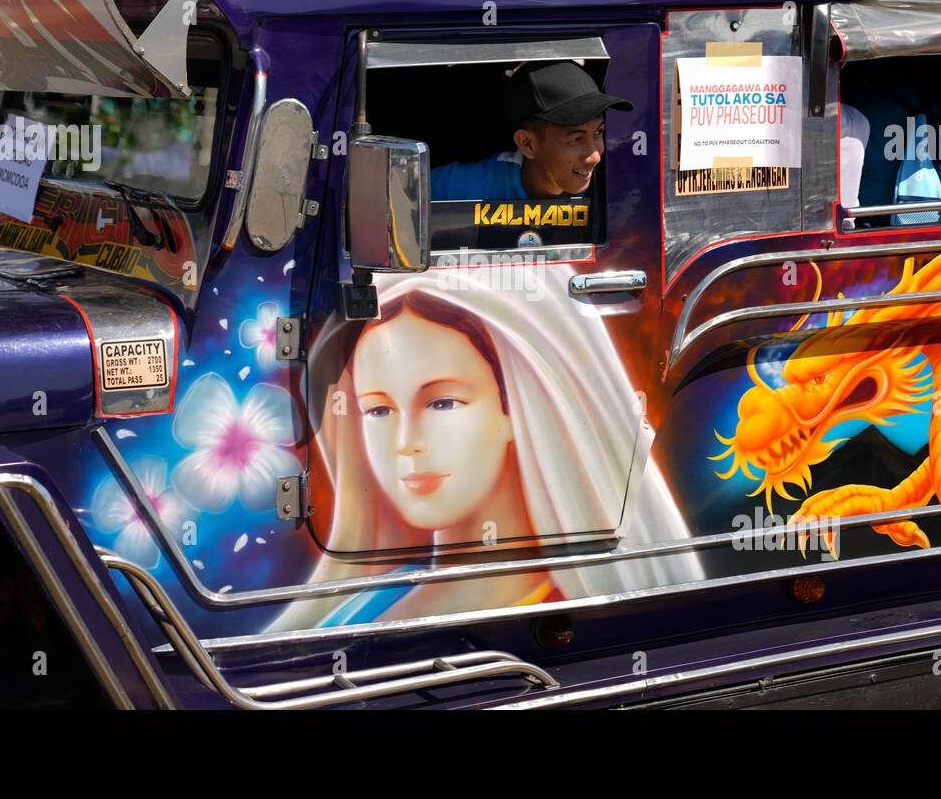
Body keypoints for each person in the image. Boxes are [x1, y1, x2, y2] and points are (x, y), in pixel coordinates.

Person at [268, 264, 705, 630]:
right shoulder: (375, 595)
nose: (406, 444)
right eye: (378, 411)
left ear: (516, 404)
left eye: (442, 402)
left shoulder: (562, 616)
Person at [429, 60, 633, 201]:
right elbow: (402, 197)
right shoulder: (464, 187)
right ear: (527, 144)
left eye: (598, 132)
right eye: (576, 138)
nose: (595, 157)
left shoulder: (614, 189)